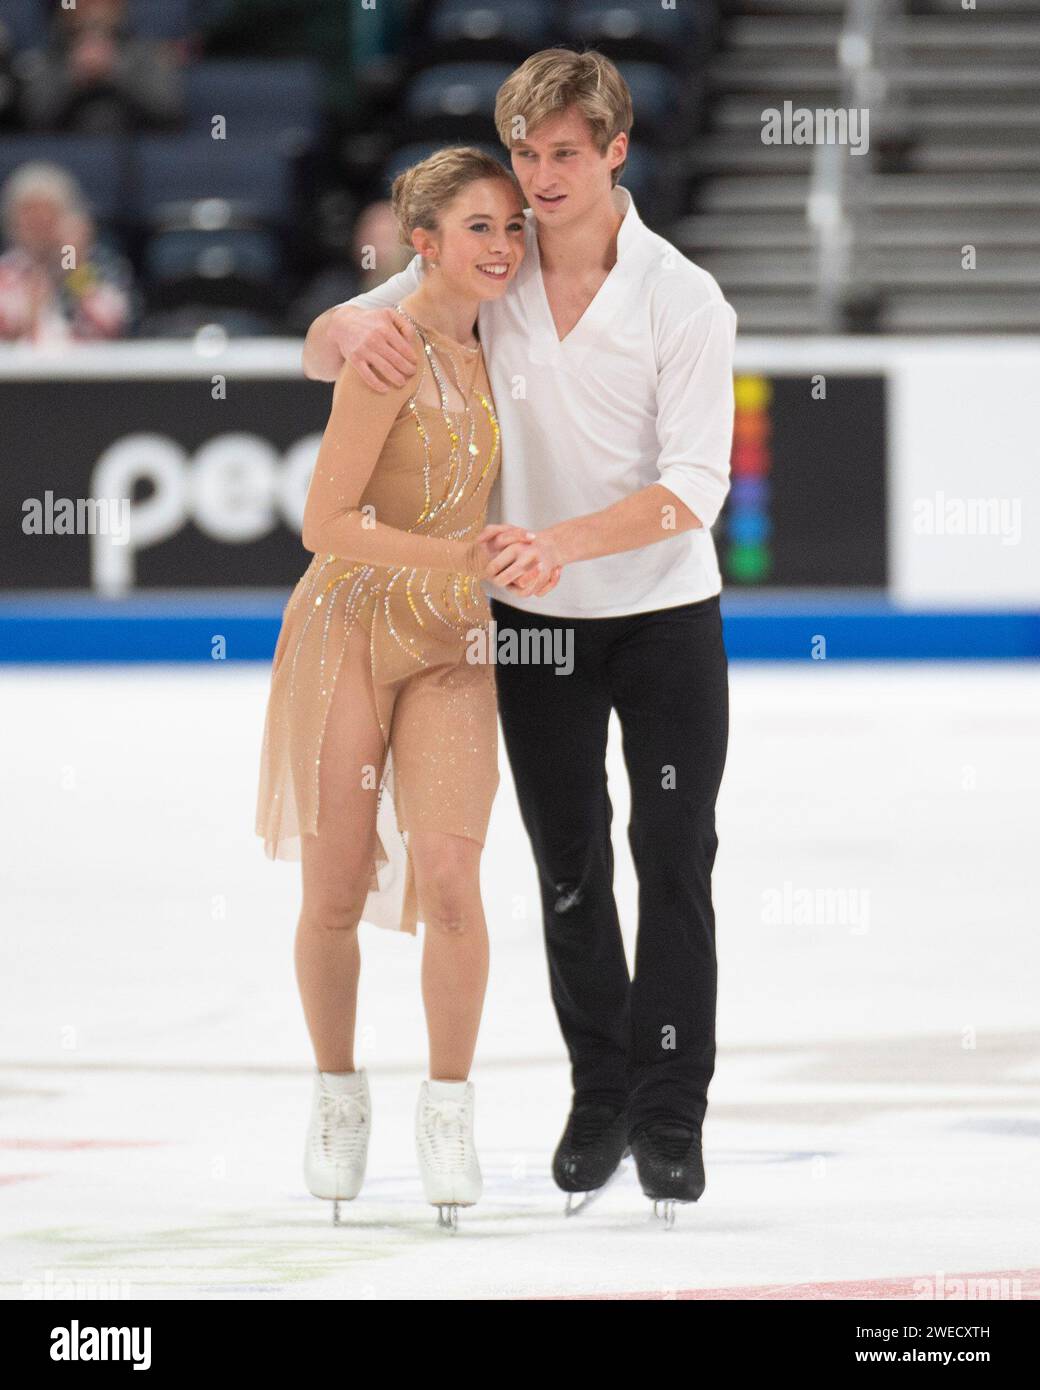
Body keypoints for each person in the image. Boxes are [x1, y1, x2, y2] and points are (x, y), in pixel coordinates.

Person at [303, 49, 737, 1220]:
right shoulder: (492, 274)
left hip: (660, 618)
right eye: (527, 155)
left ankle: (667, 1109)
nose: (541, 179)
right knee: (565, 868)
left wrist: (563, 544)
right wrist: (340, 333)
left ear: (615, 151)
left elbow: (694, 486)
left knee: (673, 855)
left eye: (563, 153)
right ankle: (598, 1093)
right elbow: (348, 325)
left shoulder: (681, 296)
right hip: (534, 626)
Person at [256, 147, 555, 1227]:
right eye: (478, 227)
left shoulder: (506, 348)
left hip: (450, 641)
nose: (503, 247)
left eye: (512, 227)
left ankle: (449, 1104)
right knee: (335, 888)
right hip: (347, 624)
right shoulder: (385, 350)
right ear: (420, 242)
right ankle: (337, 1091)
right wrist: (465, 557)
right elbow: (323, 524)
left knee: (448, 881)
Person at [0, 162, 133, 343]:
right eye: (29, 216)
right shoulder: (6, 271)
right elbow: (8, 329)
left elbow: (110, 325)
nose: (38, 225)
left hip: (87, 368)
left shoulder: (103, 267)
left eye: (47, 214)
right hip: (21, 369)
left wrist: (71, 262)